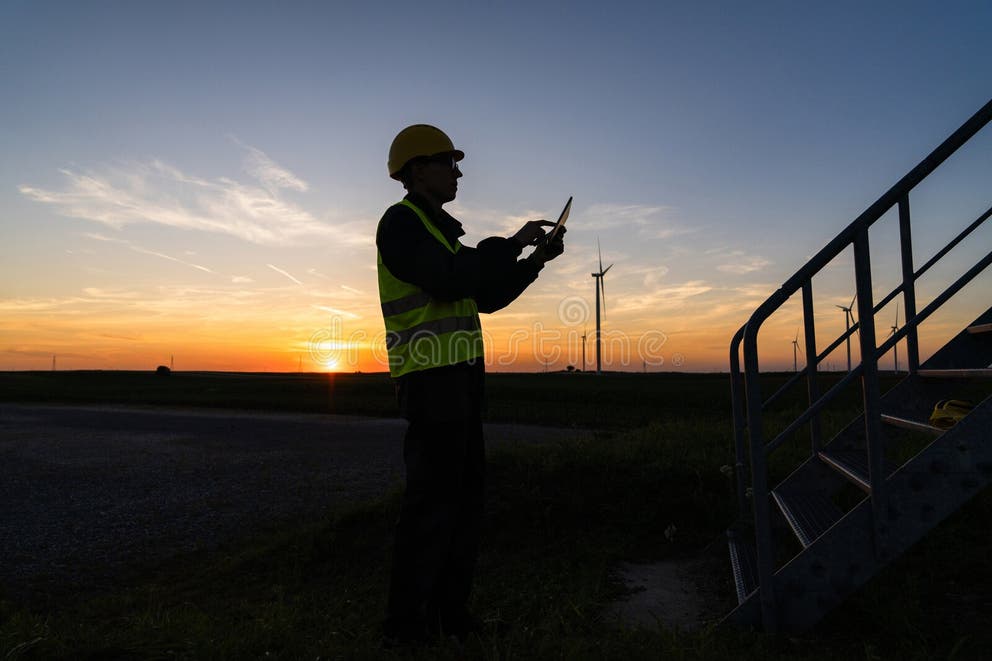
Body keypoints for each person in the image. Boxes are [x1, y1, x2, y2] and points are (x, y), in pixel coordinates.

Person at [376, 124, 565, 645]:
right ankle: (407, 626)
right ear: (418, 169)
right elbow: (451, 277)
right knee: (432, 507)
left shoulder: (440, 232)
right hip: (430, 382)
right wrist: (513, 242)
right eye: (448, 162)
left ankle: (449, 615)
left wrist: (535, 261)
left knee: (462, 504)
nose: (458, 172)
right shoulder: (401, 224)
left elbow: (482, 296)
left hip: (460, 383)